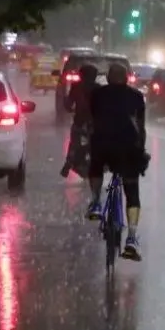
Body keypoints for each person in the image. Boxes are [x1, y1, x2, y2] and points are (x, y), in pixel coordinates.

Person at [87, 63, 149, 261]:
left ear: (108, 78)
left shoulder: (98, 95)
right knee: (132, 191)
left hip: (103, 147)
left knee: (95, 163)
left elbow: (93, 120)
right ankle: (131, 237)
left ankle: (96, 202)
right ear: (127, 78)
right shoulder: (137, 97)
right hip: (128, 150)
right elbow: (141, 128)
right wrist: (141, 151)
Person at [60, 64, 99, 178]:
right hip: (94, 123)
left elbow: (69, 105)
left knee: (73, 144)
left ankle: (68, 164)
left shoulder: (76, 87)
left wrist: (67, 104)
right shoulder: (99, 88)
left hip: (79, 122)